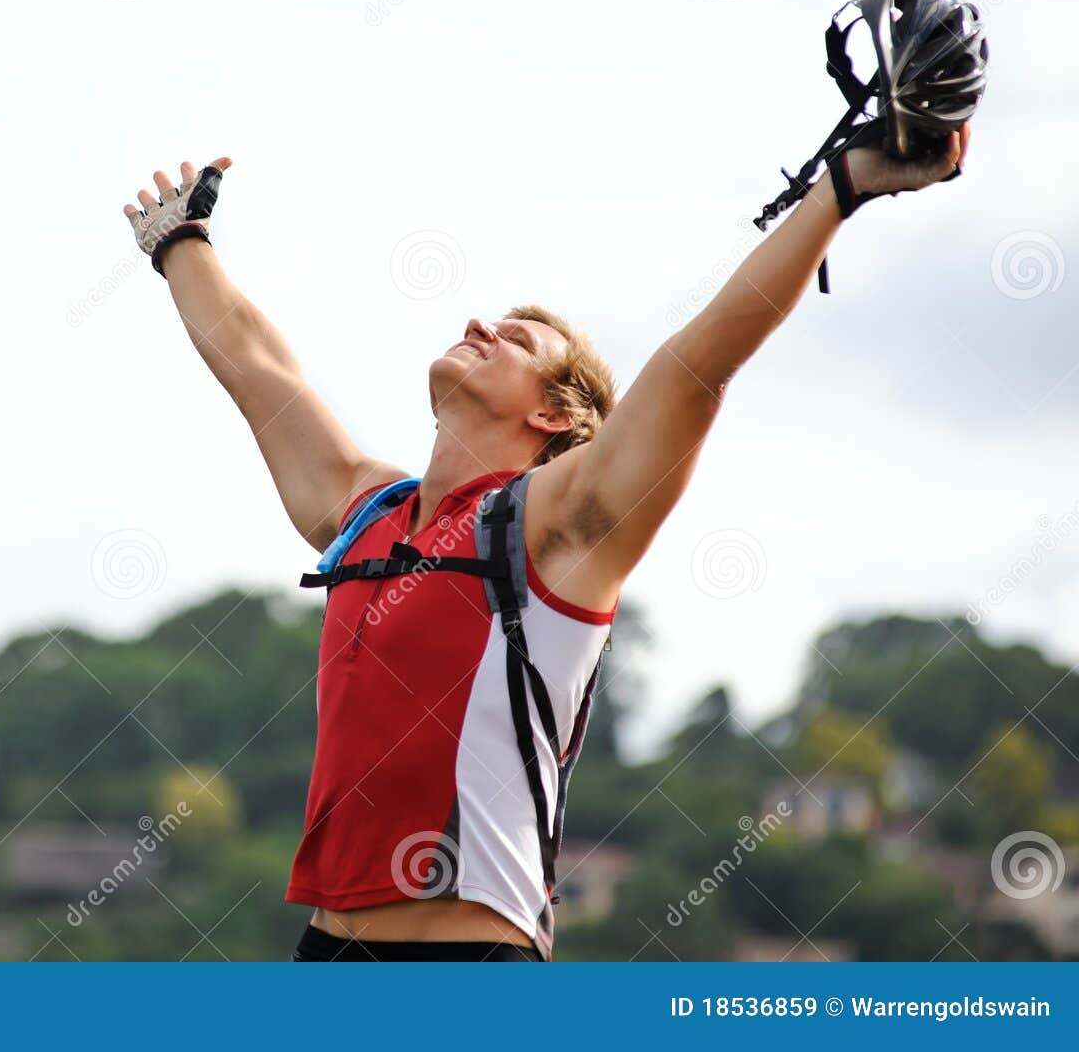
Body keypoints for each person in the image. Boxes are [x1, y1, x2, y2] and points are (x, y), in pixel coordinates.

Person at [122, 127, 971, 961]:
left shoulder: (562, 524)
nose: (479, 325)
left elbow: (696, 367)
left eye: (515, 340)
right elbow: (254, 362)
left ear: (554, 416)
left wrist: (843, 188)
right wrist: (181, 242)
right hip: (326, 956)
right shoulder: (366, 509)